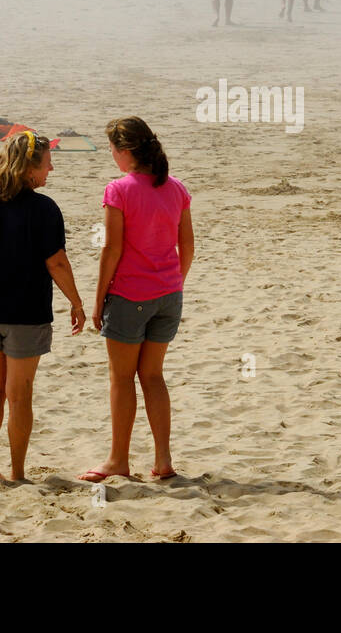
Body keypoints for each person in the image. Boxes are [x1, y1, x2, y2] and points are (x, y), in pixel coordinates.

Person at [0, 130, 86, 483]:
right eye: (46, 163)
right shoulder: (44, 209)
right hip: (24, 313)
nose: (51, 169)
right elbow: (56, 262)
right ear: (29, 169)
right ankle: (17, 471)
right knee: (20, 393)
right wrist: (77, 302)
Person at [79, 117, 194, 483]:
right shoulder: (176, 188)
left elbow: (111, 250)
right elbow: (187, 246)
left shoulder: (119, 190)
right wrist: (174, 282)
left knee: (122, 378)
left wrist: (98, 300)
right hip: (169, 296)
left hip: (130, 296)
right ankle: (163, 460)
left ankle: (118, 460)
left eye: (112, 150)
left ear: (125, 151)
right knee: (154, 376)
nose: (112, 156)